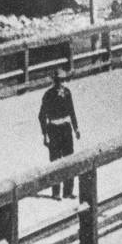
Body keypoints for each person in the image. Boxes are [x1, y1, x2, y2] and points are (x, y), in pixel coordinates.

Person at [38, 68, 81, 199]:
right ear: (54, 81)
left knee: (69, 159)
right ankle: (56, 192)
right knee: (55, 161)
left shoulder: (67, 93)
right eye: (58, 81)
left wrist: (76, 128)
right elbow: (41, 116)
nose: (60, 83)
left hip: (66, 129)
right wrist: (45, 134)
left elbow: (72, 111)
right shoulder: (48, 95)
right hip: (53, 129)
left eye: (62, 80)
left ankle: (68, 191)